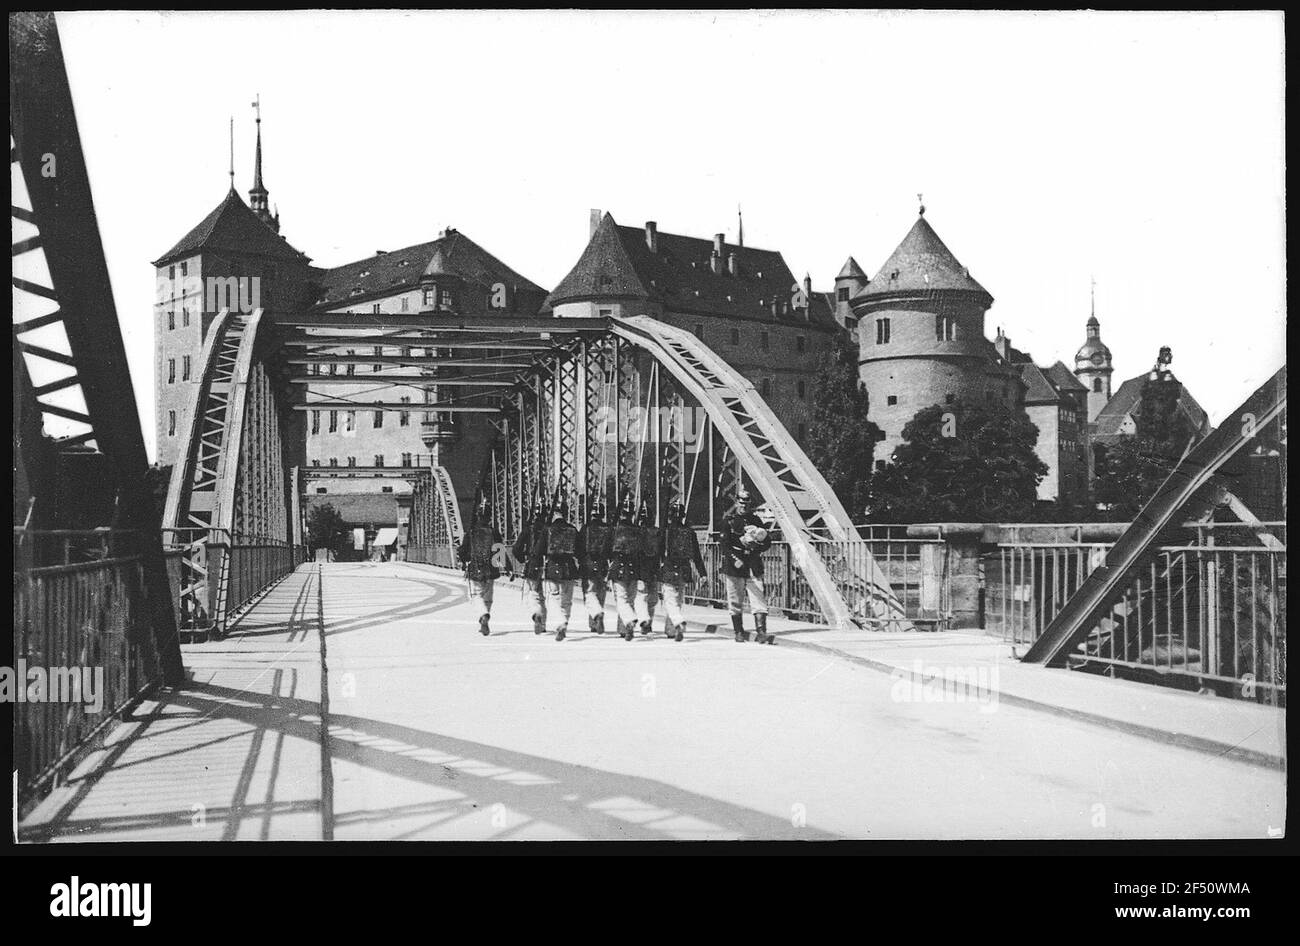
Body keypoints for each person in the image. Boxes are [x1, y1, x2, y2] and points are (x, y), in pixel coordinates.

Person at [718, 488, 774, 644]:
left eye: (746, 502)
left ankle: (761, 632)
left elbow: (767, 543)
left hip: (753, 563)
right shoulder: (728, 521)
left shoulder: (756, 521)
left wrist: (759, 542)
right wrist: (735, 558)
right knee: (735, 599)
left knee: (759, 598)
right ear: (736, 502)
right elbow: (724, 545)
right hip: (735, 564)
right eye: (741, 502)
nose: (744, 505)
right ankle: (738, 631)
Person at [534, 495, 582, 641]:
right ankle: (564, 623)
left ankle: (559, 622)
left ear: (553, 513)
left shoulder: (547, 529)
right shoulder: (572, 529)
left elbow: (538, 551)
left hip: (552, 568)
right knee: (566, 600)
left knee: (554, 599)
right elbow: (580, 551)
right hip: (569, 568)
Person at [457, 494, 504, 636]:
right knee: (488, 597)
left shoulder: (471, 532)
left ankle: (483, 615)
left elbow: (463, 551)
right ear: (489, 517)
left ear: (478, 515)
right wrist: (507, 567)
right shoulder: (494, 532)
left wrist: (464, 561)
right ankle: (485, 617)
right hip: (490, 569)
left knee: (475, 595)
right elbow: (500, 551)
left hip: (475, 568)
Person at [659, 501, 706, 642]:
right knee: (678, 600)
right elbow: (697, 555)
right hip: (684, 569)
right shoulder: (690, 532)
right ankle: (670, 630)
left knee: (669, 600)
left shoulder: (665, 531)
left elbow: (658, 551)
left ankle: (678, 623)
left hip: (669, 568)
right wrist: (702, 573)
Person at [606, 494, 642, 641]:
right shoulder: (637, 530)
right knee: (630, 599)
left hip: (618, 568)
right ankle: (624, 628)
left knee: (621, 599)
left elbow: (607, 548)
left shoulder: (614, 529)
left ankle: (628, 622)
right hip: (633, 568)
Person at [512, 496, 549, 635]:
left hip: (532, 564)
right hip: (549, 566)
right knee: (541, 595)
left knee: (532, 594)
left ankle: (537, 614)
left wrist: (522, 560)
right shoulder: (549, 529)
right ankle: (543, 623)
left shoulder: (529, 529)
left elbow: (516, 549)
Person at [579, 496, 611, 634]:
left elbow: (578, 548)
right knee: (600, 593)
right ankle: (595, 621)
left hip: (588, 565)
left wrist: (581, 560)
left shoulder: (585, 528)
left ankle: (595, 617)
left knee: (589, 593)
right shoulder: (607, 528)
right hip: (603, 564)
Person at [635, 499, 662, 636]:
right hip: (654, 569)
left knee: (642, 596)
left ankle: (645, 622)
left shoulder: (637, 532)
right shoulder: (657, 532)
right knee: (652, 599)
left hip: (641, 570)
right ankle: (648, 623)